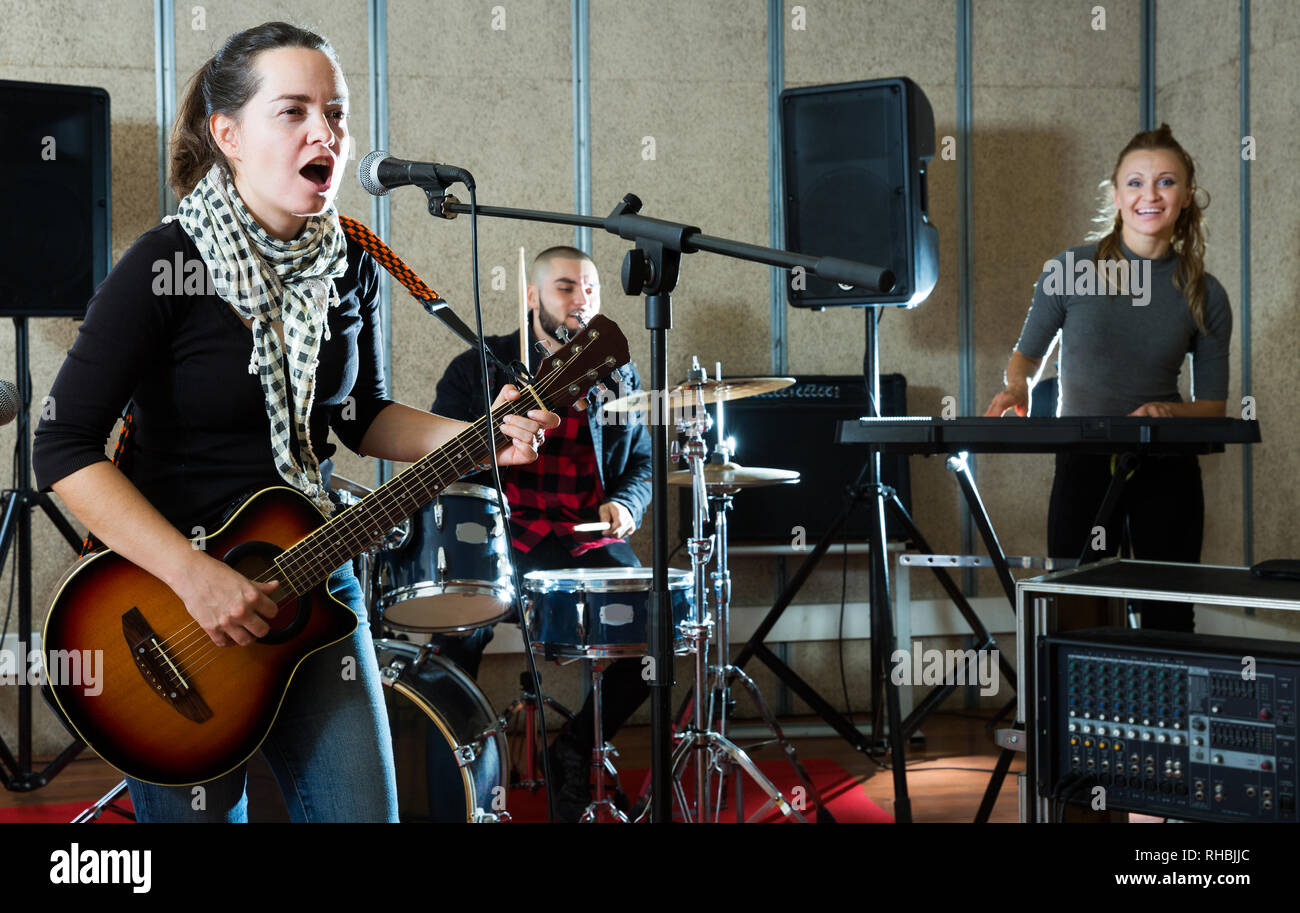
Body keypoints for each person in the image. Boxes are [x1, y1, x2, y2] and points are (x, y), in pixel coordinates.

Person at [31, 21, 557, 822]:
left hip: (312, 578)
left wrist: (477, 437)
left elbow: (361, 415)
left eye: (337, 113)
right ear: (228, 134)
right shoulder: (165, 265)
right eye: (295, 111)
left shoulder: (353, 264)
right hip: (172, 597)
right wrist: (191, 574)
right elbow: (61, 445)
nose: (327, 133)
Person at [428, 246, 653, 821]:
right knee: (451, 644)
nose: (582, 300)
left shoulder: (616, 373)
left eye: (591, 290)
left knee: (656, 631)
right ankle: (460, 785)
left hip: (584, 538)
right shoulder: (478, 367)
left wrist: (626, 503)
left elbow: (644, 462)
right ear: (531, 297)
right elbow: (438, 466)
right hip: (503, 539)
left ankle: (574, 752)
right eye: (565, 288)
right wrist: (492, 436)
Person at [985, 123, 1231, 632]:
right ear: (1117, 195)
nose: (1151, 194)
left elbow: (1212, 408)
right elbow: (1026, 356)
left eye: (1166, 182)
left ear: (1185, 197)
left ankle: (1161, 713)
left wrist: (1170, 412)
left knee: (1168, 611)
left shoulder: (1205, 293)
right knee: (1077, 607)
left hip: (1167, 465)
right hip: (1084, 461)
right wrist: (1017, 386)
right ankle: (1080, 714)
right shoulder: (1069, 270)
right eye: (1136, 182)